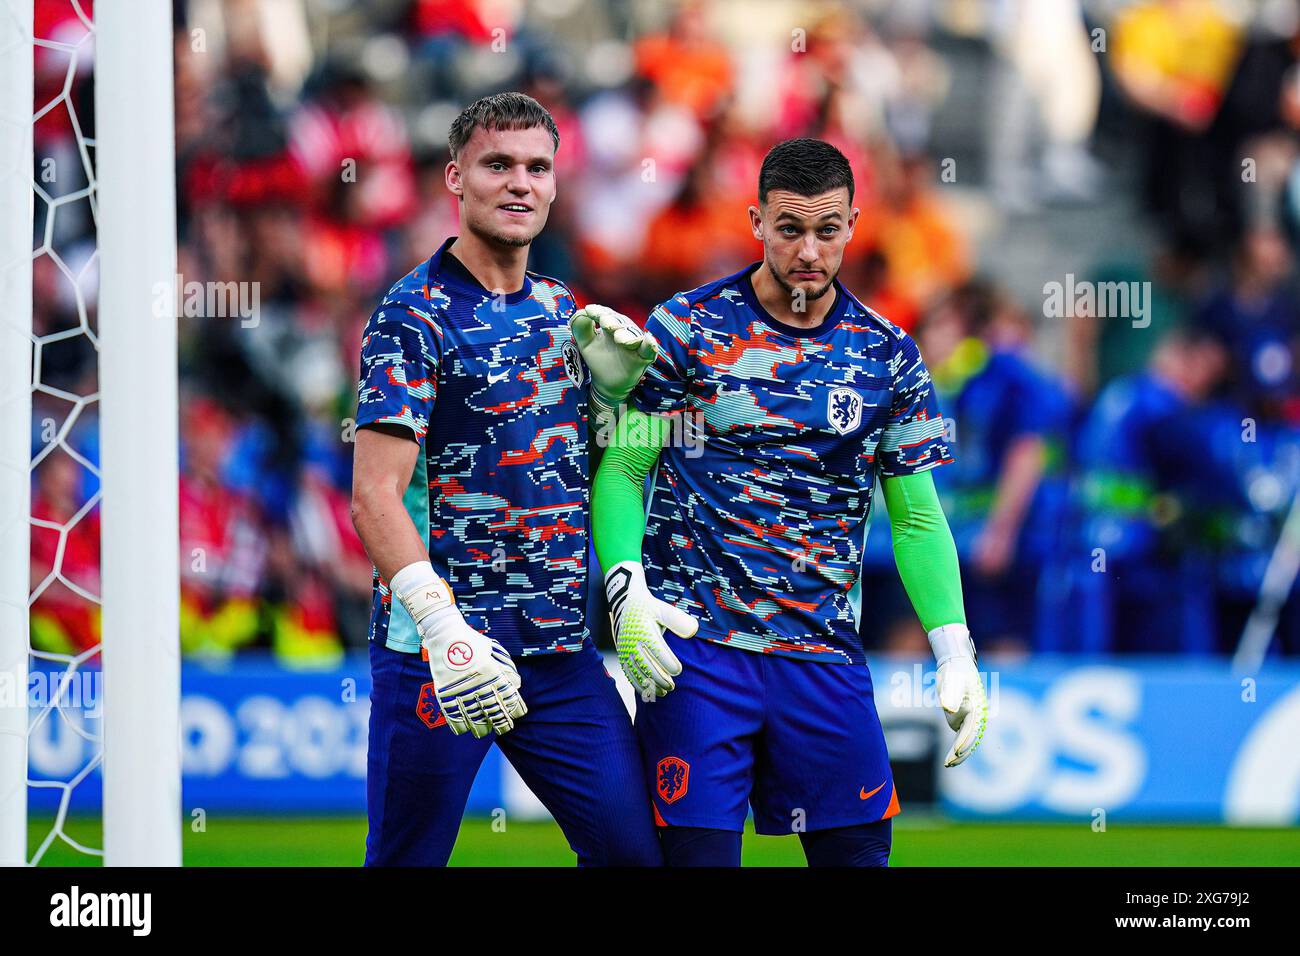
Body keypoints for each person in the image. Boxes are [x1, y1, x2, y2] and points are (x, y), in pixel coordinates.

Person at [592, 138, 987, 867]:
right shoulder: (686, 327)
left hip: (823, 653)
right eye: (790, 228)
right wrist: (625, 587)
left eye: (827, 229)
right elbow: (624, 467)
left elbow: (916, 518)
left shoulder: (889, 356)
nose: (809, 250)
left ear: (853, 225)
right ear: (757, 222)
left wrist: (954, 649)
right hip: (697, 652)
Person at [350, 92, 661, 866]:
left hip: (558, 652)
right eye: (498, 165)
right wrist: (443, 630)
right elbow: (373, 495)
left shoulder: (563, 310)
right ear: (456, 178)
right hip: (438, 655)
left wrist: (618, 401)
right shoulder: (412, 316)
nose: (520, 183)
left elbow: (589, 469)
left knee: (634, 856)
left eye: (537, 167)